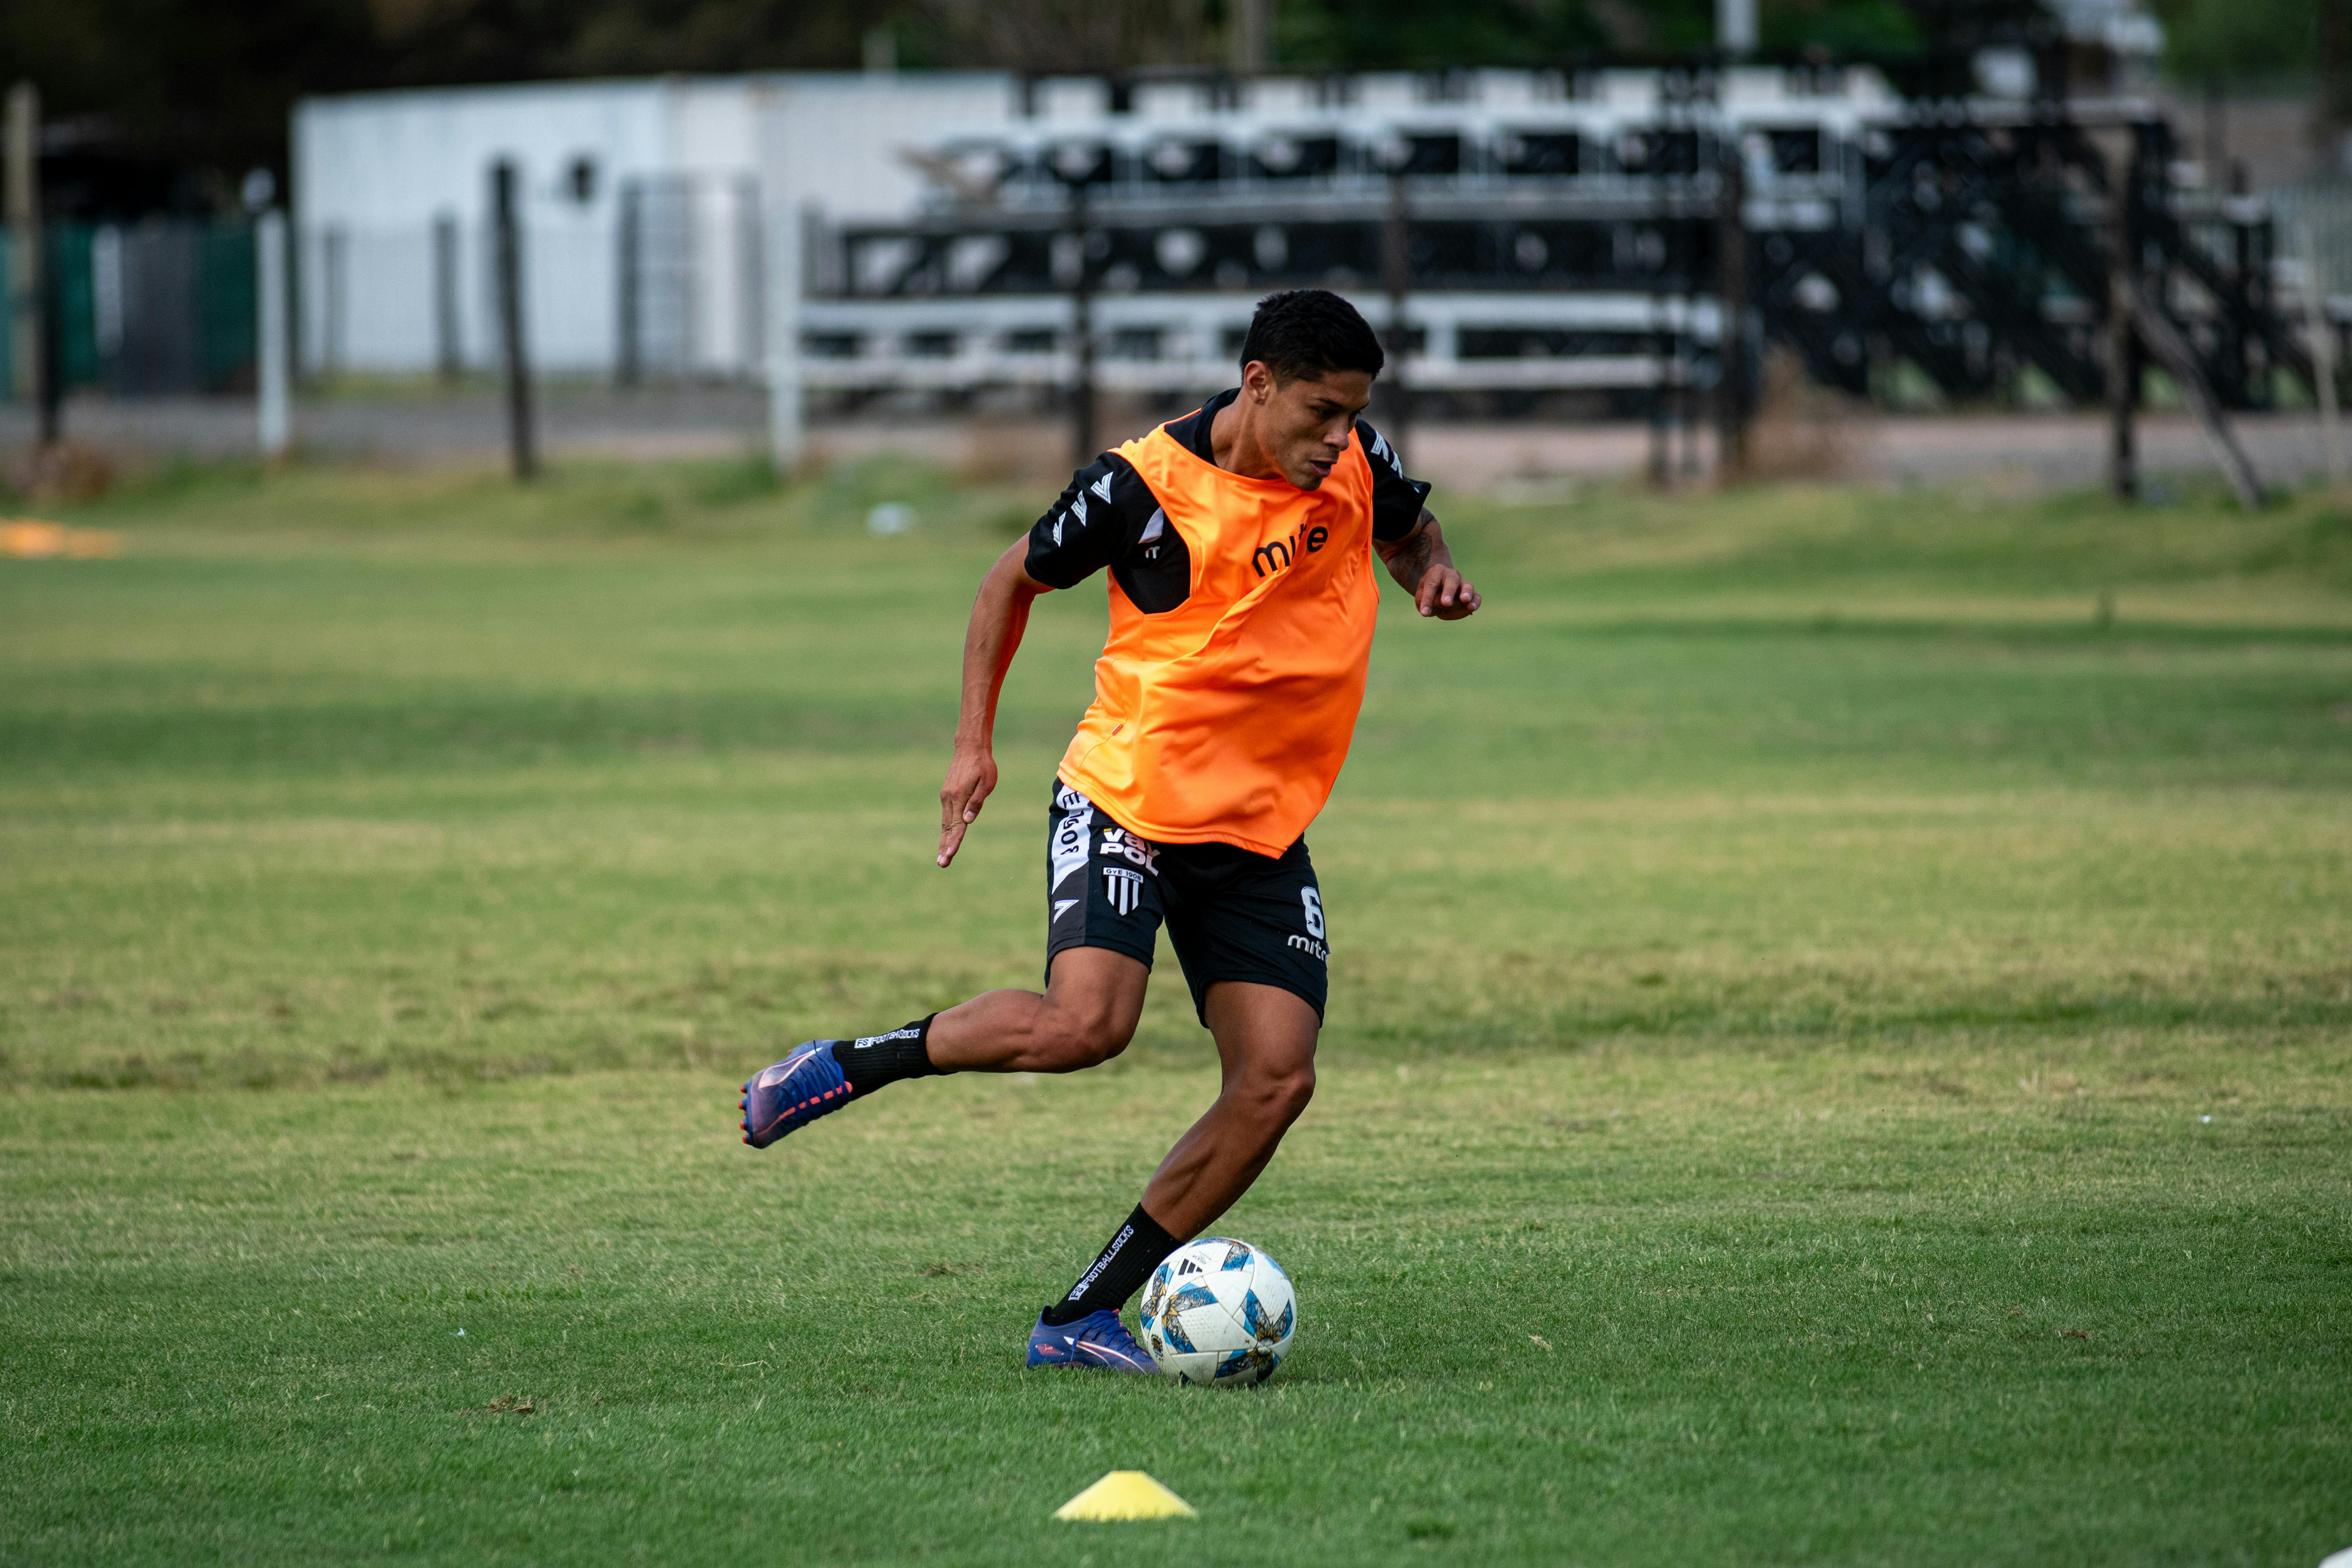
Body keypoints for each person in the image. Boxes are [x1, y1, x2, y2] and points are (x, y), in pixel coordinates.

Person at [739, 288, 1481, 1372]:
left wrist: (1433, 578)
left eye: (1353, 414)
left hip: (1262, 828)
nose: (1339, 437)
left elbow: (1411, 534)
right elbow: (1008, 582)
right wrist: (971, 744)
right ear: (1256, 383)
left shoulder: (1358, 454)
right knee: (1085, 1026)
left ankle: (1081, 1314)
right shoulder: (1139, 487)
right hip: (1130, 800)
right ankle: (852, 1062)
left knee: (1276, 1077)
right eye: (1320, 412)